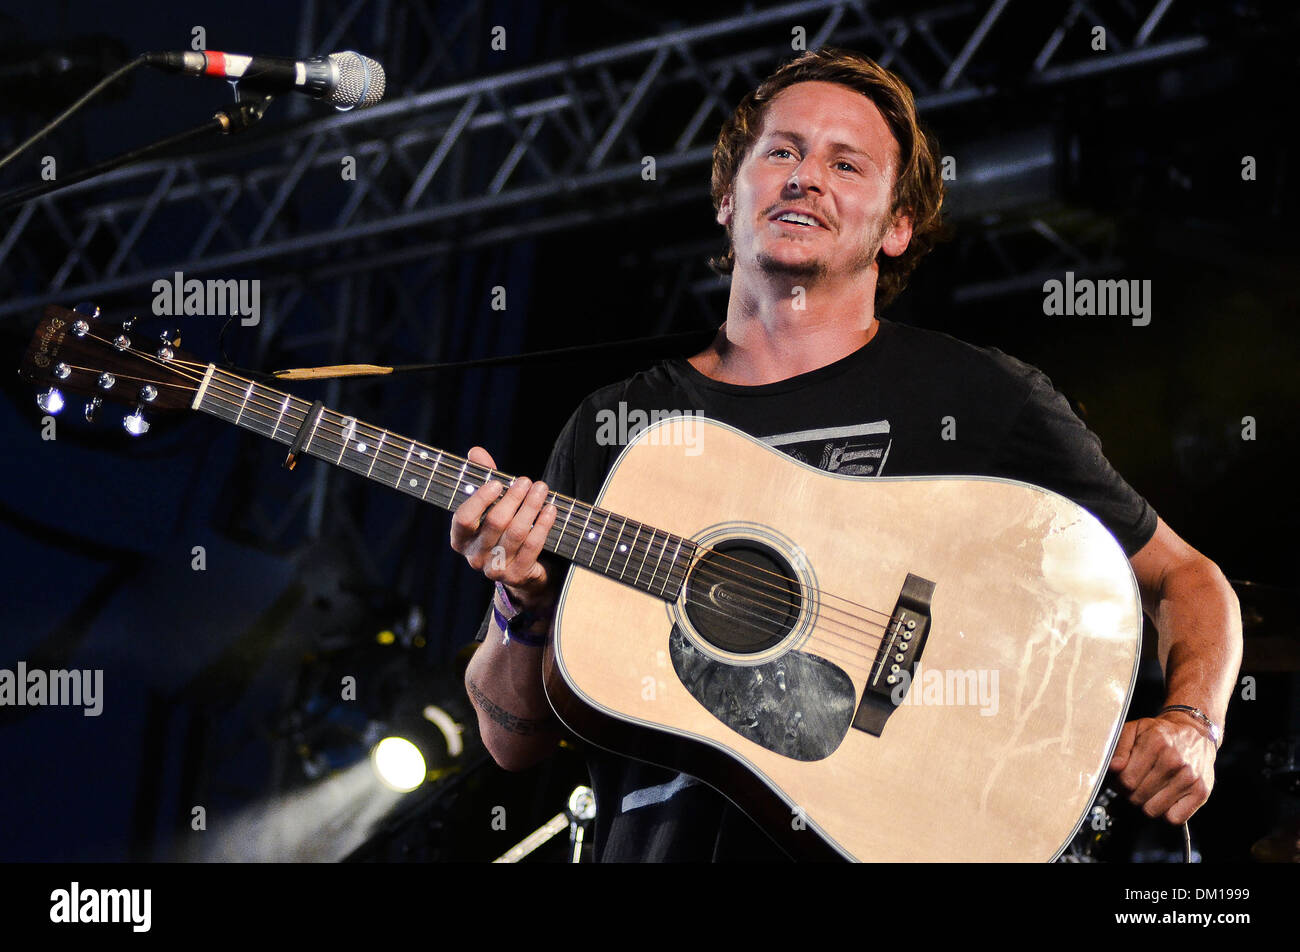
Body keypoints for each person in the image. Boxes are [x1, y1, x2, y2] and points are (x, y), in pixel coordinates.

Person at [450, 48, 1243, 861]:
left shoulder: (978, 397)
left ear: (897, 227)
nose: (805, 178)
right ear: (729, 197)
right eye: (783, 151)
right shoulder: (616, 426)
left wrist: (1194, 721)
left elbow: (1188, 580)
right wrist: (522, 606)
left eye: (846, 163)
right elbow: (513, 742)